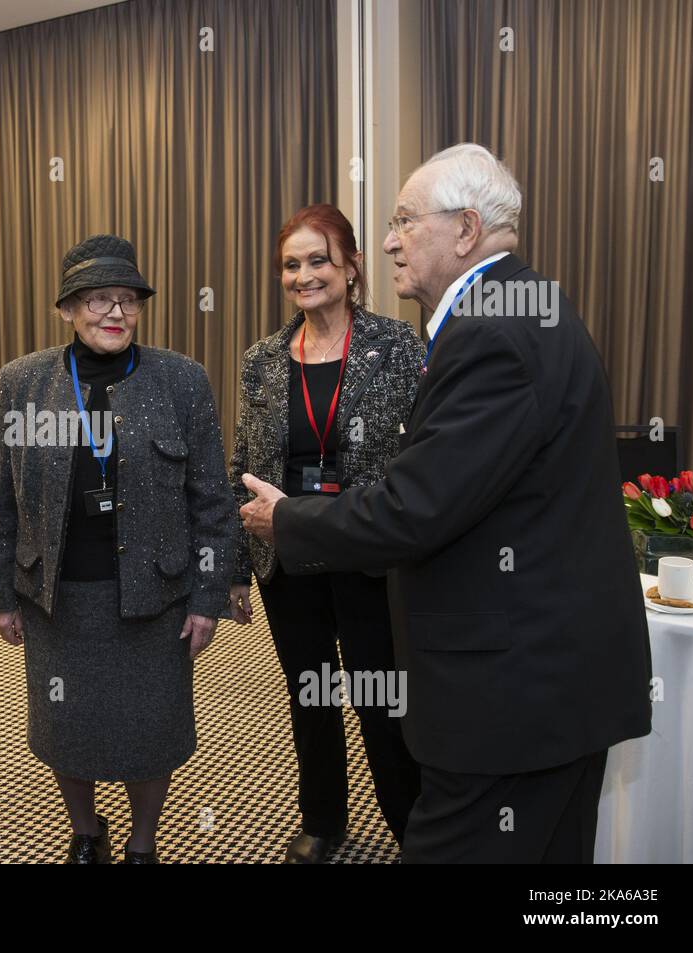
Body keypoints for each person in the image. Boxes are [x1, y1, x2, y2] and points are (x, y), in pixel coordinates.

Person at [239, 144, 652, 863]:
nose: (390, 239)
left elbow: (414, 506)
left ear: (465, 230)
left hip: (513, 698)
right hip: (552, 683)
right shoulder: (527, 306)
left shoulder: (490, 333)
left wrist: (286, 519)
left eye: (403, 220)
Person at [0, 234, 236, 863]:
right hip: (57, 597)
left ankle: (143, 841)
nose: (115, 313)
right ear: (67, 309)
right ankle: (85, 829)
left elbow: (213, 501)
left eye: (127, 299)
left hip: (154, 597)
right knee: (66, 728)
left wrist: (208, 596)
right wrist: (1, 595)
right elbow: (2, 501)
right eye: (98, 300)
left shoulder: (182, 380)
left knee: (153, 730)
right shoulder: (22, 383)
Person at [229, 204, 423, 863]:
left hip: (367, 550)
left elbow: (427, 453)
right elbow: (242, 462)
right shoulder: (260, 360)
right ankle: (323, 818)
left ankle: (412, 829)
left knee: (381, 700)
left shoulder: (398, 347)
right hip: (289, 554)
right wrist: (233, 566)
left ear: (352, 266)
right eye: (291, 263)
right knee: (310, 692)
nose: (304, 275)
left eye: (319, 260)